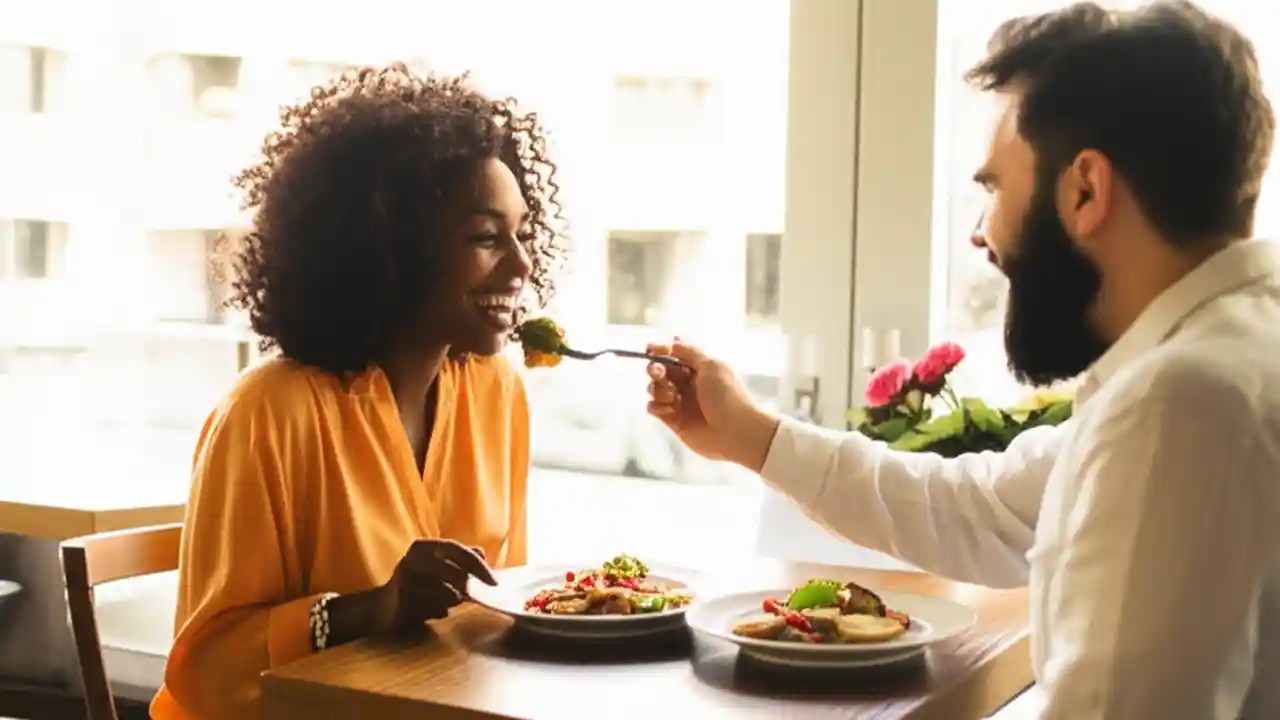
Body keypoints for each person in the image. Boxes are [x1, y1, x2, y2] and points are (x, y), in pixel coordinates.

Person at [648, 2, 1280, 717]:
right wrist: (755, 439)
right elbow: (985, 509)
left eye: (995, 188)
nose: (981, 235)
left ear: (1085, 189)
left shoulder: (1181, 403)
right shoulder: (1229, 355)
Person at [150, 64, 566, 719]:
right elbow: (208, 673)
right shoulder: (269, 412)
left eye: (522, 232)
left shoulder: (496, 392)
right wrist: (372, 608)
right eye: (487, 237)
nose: (521, 265)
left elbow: (493, 617)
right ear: (393, 247)